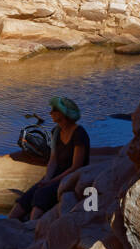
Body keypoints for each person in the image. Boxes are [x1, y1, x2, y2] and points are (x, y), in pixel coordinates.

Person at [9, 95, 90, 223]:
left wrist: (51, 182)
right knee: (29, 195)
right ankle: (9, 222)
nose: (50, 113)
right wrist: (47, 178)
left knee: (42, 194)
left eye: (54, 110)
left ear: (63, 114)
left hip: (72, 176)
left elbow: (76, 167)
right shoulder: (56, 131)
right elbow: (53, 160)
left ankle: (32, 227)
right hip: (57, 174)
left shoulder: (79, 133)